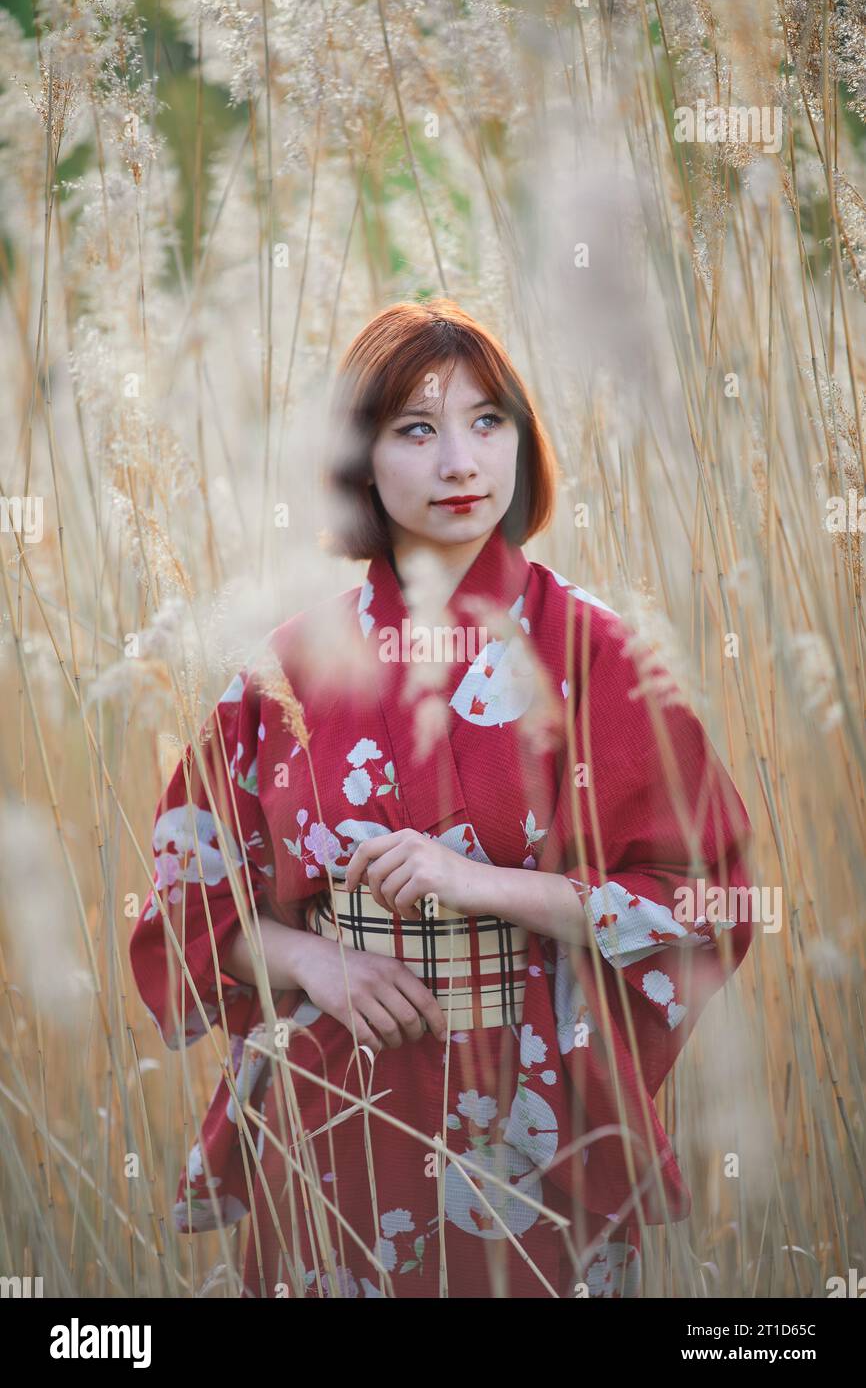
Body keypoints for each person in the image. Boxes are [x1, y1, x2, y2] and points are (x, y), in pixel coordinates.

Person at [129, 298, 754, 1299]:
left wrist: (475, 882)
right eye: (415, 429)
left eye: (486, 420)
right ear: (359, 459)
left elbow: (705, 898)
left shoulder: (601, 657)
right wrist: (312, 960)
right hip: (341, 1107)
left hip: (544, 1112)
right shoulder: (285, 669)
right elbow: (190, 909)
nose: (459, 460)